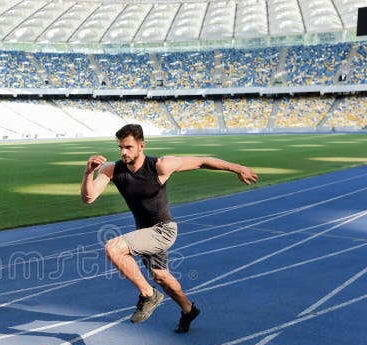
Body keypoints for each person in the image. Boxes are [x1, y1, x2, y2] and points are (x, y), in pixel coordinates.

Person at [80, 124, 258, 333]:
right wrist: (88, 172)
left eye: (128, 147)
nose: (123, 152)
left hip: (163, 230)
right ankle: (188, 309)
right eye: (120, 147)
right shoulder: (112, 169)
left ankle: (148, 295)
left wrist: (238, 168)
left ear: (141, 146)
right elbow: (89, 198)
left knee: (113, 248)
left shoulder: (160, 166)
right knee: (161, 276)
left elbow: (202, 162)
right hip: (143, 231)